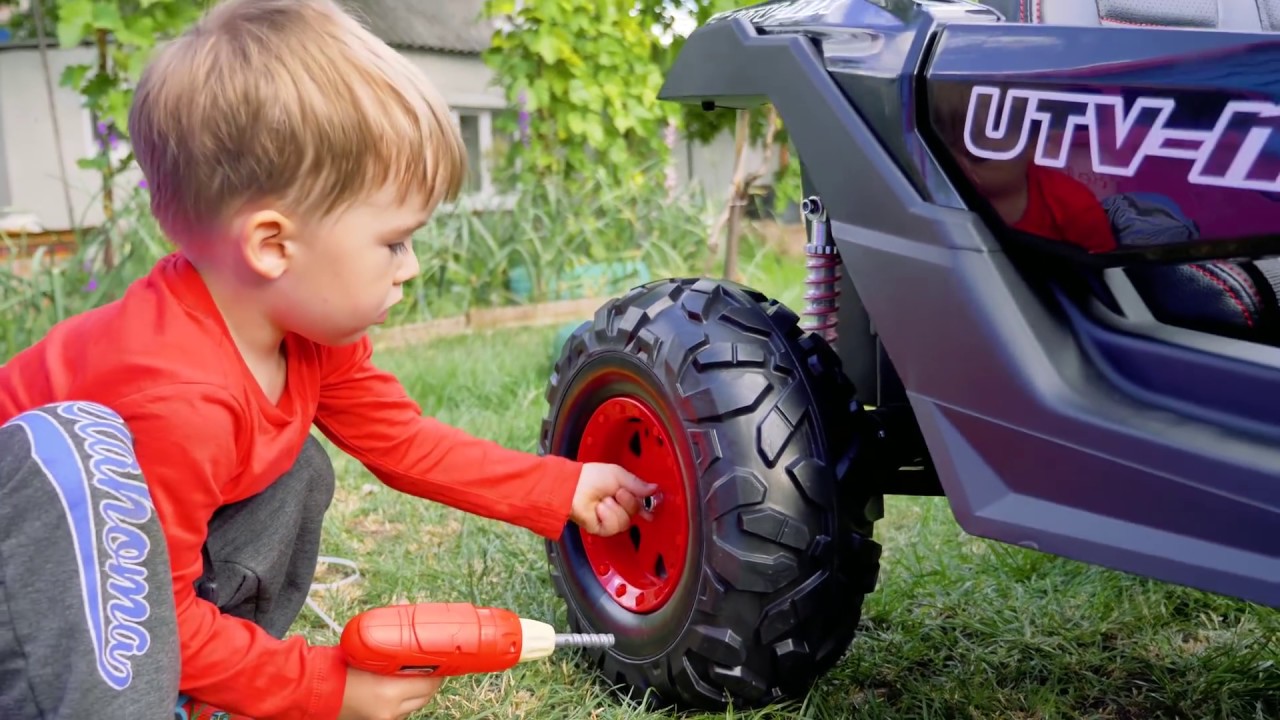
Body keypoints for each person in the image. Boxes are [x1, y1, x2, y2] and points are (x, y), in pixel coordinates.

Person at [0, 1, 657, 718]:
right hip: (29, 600)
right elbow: (159, 617)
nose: (410, 266)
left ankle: (206, 689)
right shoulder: (176, 398)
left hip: (118, 584)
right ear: (273, 246)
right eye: (394, 242)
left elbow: (405, 443)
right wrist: (323, 687)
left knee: (296, 469)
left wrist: (561, 488)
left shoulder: (302, 335)